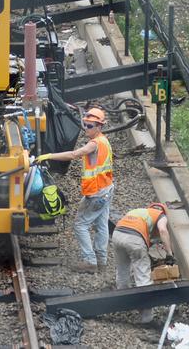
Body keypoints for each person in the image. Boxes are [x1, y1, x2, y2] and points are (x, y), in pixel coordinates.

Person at [35, 107, 113, 273]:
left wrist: (48, 156)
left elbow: (74, 154)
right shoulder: (104, 141)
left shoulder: (94, 144)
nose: (86, 129)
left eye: (90, 126)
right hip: (106, 188)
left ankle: (90, 262)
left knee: (80, 225)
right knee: (101, 225)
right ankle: (102, 260)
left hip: (97, 192)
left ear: (99, 126)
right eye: (85, 125)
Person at [113, 202, 171, 324]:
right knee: (143, 274)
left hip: (117, 235)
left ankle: (123, 304)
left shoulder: (140, 212)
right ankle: (147, 316)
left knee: (122, 270)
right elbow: (163, 230)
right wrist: (170, 253)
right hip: (134, 238)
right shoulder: (161, 216)